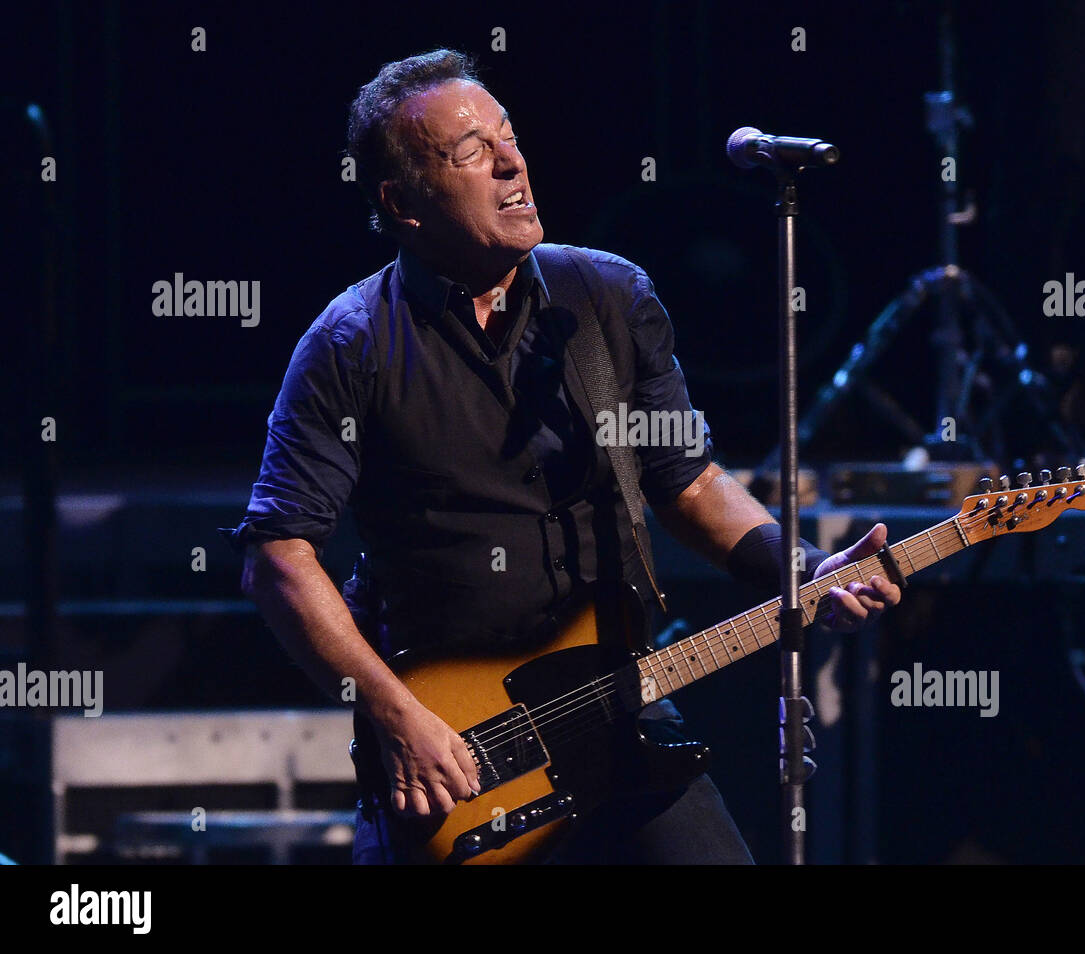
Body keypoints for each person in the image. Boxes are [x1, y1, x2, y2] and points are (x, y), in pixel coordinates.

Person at [222, 49, 901, 864]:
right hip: (456, 746)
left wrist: (800, 567)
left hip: (616, 701)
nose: (513, 162)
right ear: (403, 202)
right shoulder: (351, 343)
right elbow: (279, 555)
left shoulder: (607, 298)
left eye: (508, 136)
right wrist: (395, 714)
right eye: (471, 151)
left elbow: (687, 482)